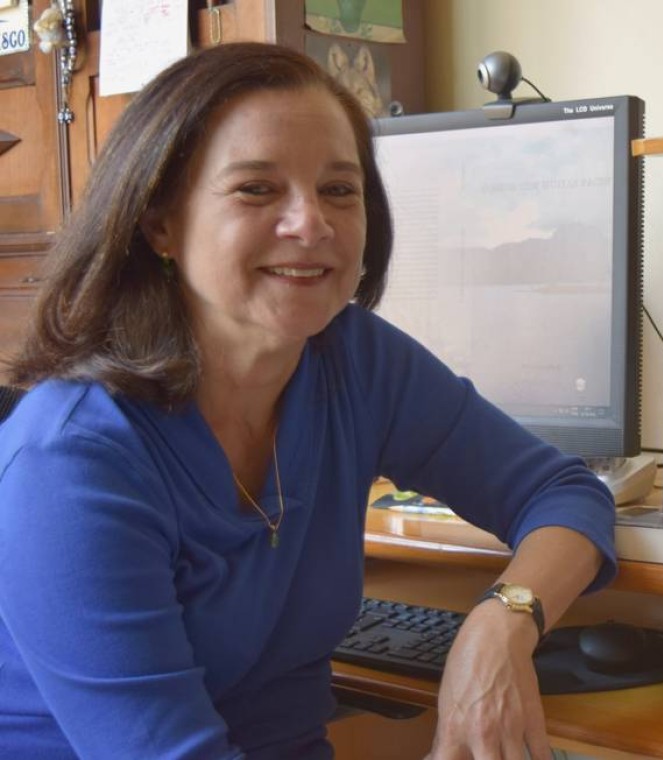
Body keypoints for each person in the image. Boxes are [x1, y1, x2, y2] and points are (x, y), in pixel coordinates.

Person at [0, 42, 616, 759]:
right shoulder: (72, 459)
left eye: (339, 190)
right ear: (160, 222)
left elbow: (561, 492)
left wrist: (502, 622)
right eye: (257, 189)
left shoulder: (354, 360)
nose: (311, 224)